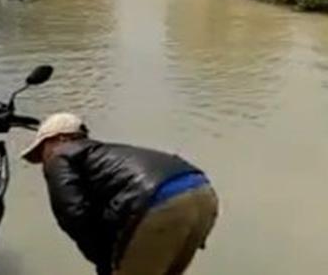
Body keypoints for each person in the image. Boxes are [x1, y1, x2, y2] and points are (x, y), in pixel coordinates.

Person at [23, 114, 219, 275]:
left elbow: (73, 214)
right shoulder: (107, 155)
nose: (43, 159)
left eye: (42, 150)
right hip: (201, 192)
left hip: (160, 201)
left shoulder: (60, 155)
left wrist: (104, 262)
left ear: (60, 138)